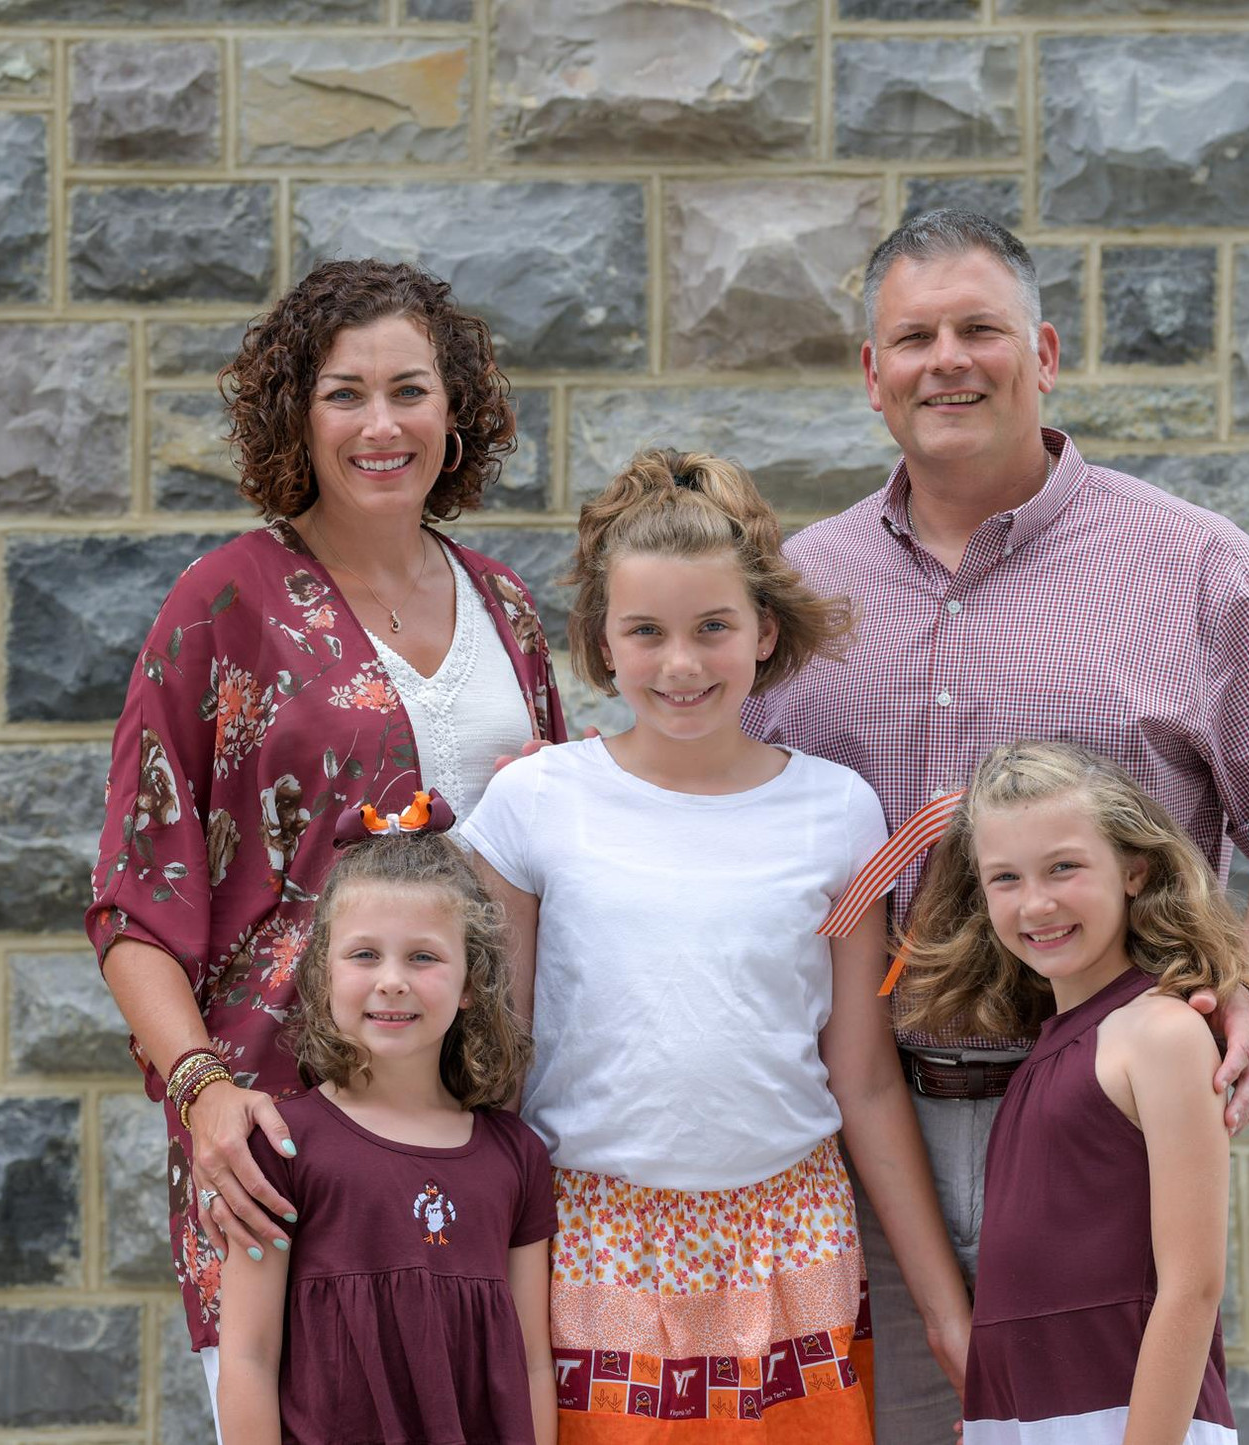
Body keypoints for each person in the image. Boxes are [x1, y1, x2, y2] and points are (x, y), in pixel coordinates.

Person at [743, 208, 1249, 1440]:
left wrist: (1243, 984)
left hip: (1107, 1118)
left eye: (980, 328)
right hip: (869, 1134)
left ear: (1045, 350)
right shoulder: (794, 597)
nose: (949, 359)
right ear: (872, 376)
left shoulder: (1194, 564)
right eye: (913, 336)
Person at [87, 258, 567, 1422]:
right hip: (284, 1137)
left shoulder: (503, 603)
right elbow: (132, 900)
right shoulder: (225, 602)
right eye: (344, 392)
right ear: (295, 414)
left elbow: (559, 845)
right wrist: (201, 1091)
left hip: (477, 1140)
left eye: (410, 389)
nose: (380, 423)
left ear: (455, 411)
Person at [461, 449, 973, 1440]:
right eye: (645, 632)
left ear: (764, 630)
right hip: (589, 1246)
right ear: (603, 643)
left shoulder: (837, 809)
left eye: (712, 628)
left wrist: (945, 1306)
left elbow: (862, 1078)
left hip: (788, 1245)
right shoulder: (537, 803)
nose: (681, 664)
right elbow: (497, 1073)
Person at [896, 741, 1242, 1445]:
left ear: (1135, 869)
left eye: (1064, 867)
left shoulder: (1162, 1034)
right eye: (1005, 878)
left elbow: (1192, 1286)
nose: (1037, 902)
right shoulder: (1045, 1054)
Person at [216, 826, 558, 1445]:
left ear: (470, 983)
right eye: (364, 954)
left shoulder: (517, 1157)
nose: (392, 980)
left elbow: (534, 1359)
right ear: (321, 974)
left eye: (423, 957)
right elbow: (247, 1355)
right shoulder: (281, 1145)